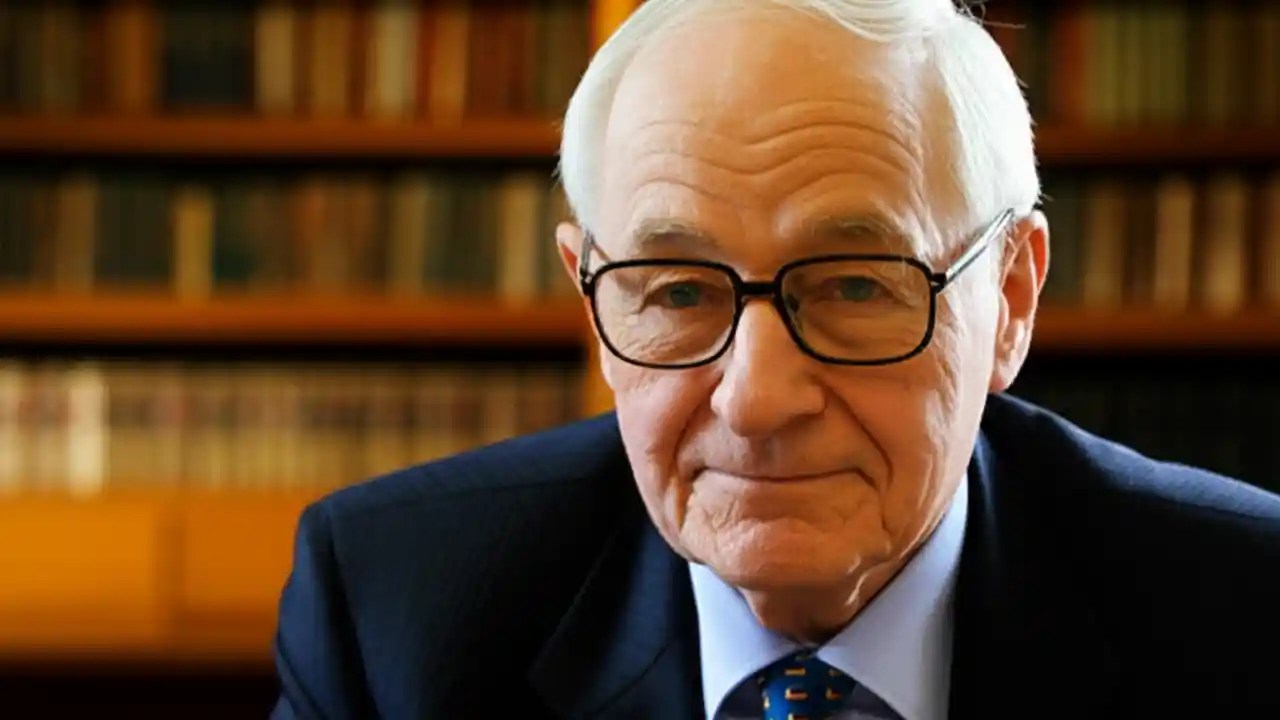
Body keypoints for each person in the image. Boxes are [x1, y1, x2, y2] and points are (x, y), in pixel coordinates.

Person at [269, 1, 1280, 718]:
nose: (755, 400)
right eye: (675, 293)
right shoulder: (399, 614)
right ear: (589, 294)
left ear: (1008, 298)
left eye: (851, 286)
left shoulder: (1241, 613)